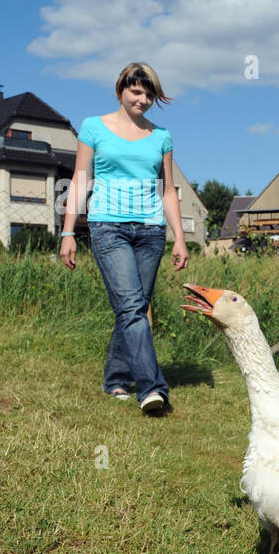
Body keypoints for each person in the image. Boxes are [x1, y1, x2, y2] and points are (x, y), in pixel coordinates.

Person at [60, 62, 189, 414]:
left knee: (133, 307)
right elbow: (80, 180)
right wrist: (69, 230)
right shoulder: (93, 128)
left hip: (150, 231)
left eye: (149, 94)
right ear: (121, 90)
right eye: (136, 91)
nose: (143, 99)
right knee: (133, 308)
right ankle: (151, 387)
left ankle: (116, 378)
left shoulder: (161, 136)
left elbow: (168, 191)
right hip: (108, 227)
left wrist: (179, 237)